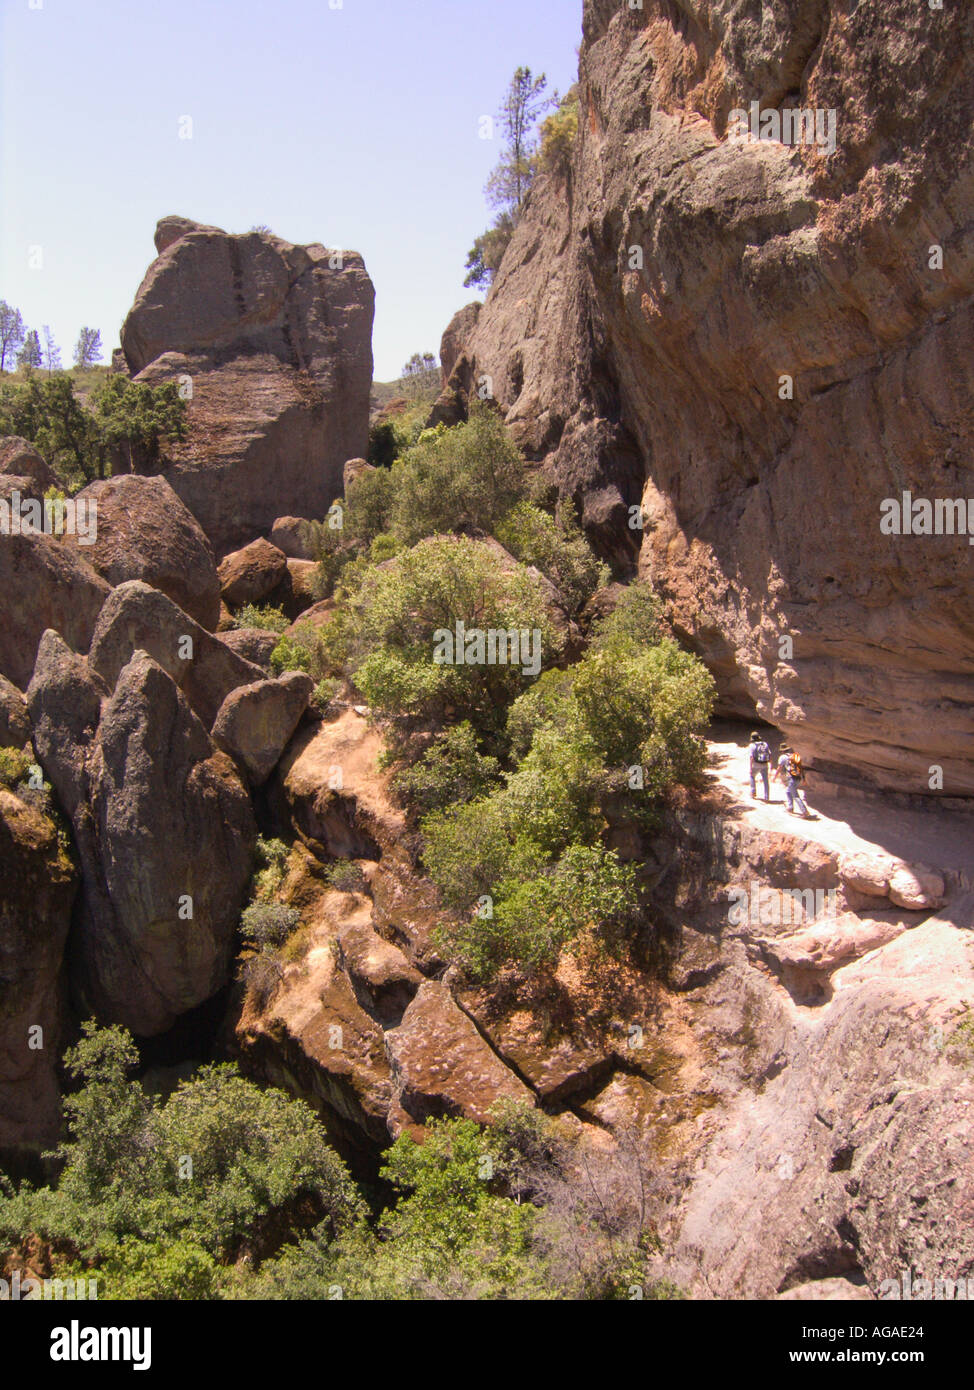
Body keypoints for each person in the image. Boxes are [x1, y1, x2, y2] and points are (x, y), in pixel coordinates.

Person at [776, 744, 809, 817]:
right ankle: (790, 808)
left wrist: (775, 776)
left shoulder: (783, 757)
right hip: (798, 778)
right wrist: (804, 779)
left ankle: (805, 811)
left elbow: (779, 767)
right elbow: (801, 768)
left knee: (795, 795)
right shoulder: (795, 756)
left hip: (791, 778)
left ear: (782, 751)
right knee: (788, 791)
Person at [747, 731, 772, 800]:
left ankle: (753, 792)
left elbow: (751, 757)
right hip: (765, 764)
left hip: (756, 764)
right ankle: (767, 796)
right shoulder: (765, 744)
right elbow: (770, 754)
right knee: (766, 780)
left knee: (752, 776)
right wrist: (770, 764)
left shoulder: (752, 745)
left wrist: (750, 768)